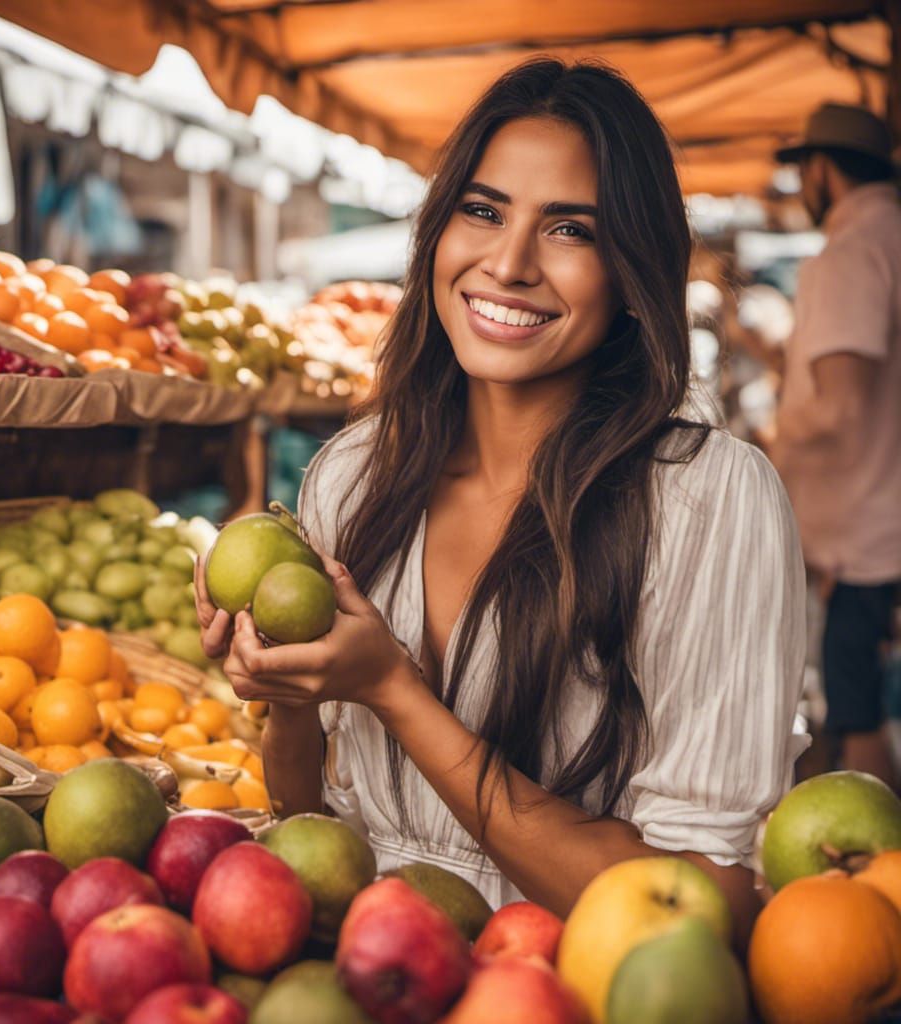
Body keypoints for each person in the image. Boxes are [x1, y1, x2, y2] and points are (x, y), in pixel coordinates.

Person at [195, 59, 806, 949]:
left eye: (569, 230)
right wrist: (291, 693)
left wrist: (396, 692)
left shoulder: (706, 503)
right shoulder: (355, 477)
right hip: (363, 980)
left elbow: (696, 907)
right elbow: (315, 831)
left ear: (634, 274)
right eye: (482, 211)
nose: (509, 264)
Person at [763, 103, 900, 786]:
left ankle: (885, 876)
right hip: (881, 525)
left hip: (867, 540)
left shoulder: (853, 254)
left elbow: (841, 406)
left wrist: (772, 449)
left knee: (856, 714)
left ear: (821, 170)